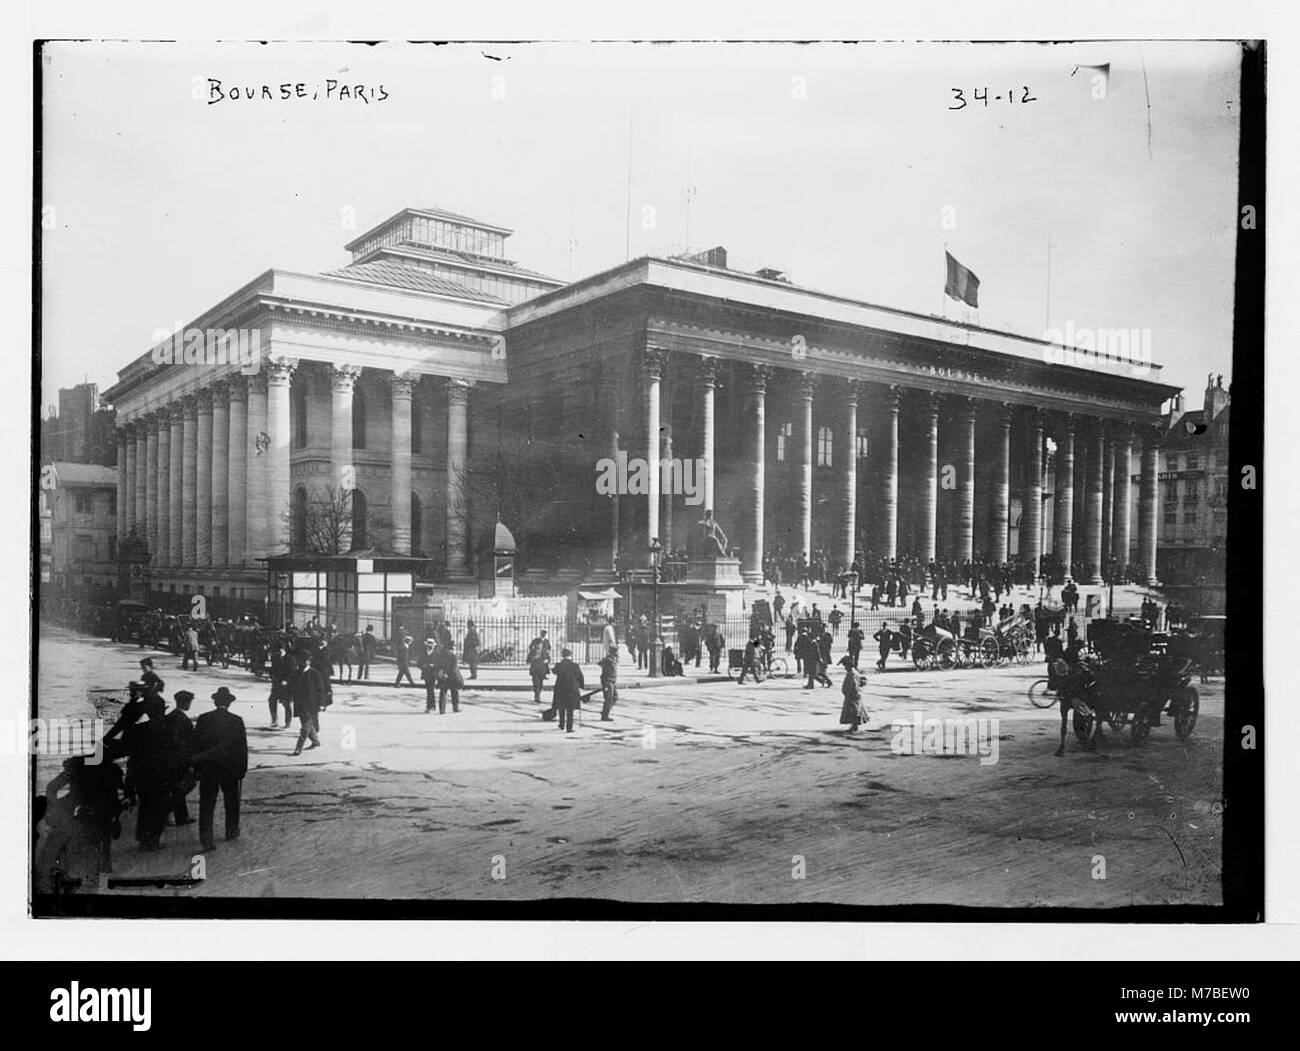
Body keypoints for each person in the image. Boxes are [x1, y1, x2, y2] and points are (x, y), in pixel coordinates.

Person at [192, 687, 249, 851]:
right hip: (230, 770)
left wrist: (197, 768)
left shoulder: (204, 719)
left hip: (209, 769)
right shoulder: (236, 720)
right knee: (231, 802)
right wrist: (242, 770)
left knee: (206, 804)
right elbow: (242, 748)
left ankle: (206, 838)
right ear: (229, 703)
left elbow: (196, 745)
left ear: (215, 702)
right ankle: (231, 830)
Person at [126, 694, 174, 852]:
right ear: (162, 711)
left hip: (142, 775)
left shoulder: (138, 729)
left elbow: (132, 757)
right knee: (159, 807)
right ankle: (153, 840)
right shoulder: (168, 729)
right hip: (161, 775)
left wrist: (130, 780)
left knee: (145, 805)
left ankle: (143, 839)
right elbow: (173, 754)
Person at [166, 690, 196, 828]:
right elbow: (182, 742)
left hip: (169, 758)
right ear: (186, 702)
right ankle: (166, 810)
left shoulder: (170, 716)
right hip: (179, 759)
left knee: (176, 787)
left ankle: (181, 816)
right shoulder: (183, 720)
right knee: (185, 784)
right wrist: (188, 760)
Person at [289, 651, 325, 755]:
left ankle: (298, 748)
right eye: (301, 661)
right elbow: (292, 687)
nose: (302, 663)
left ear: (309, 662)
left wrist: (322, 704)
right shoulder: (297, 673)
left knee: (305, 727)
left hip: (311, 705)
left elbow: (320, 690)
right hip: (300, 705)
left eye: (305, 661)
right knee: (308, 725)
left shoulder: (314, 673)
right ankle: (316, 741)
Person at [550, 648, 585, 733]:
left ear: (562, 655)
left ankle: (561, 725)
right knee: (570, 709)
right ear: (570, 655)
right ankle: (569, 727)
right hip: (572, 689)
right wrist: (581, 686)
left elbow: (554, 671)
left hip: (561, 689)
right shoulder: (575, 665)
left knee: (561, 707)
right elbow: (580, 676)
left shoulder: (559, 665)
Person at [838, 656, 869, 733]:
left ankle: (854, 726)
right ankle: (854, 726)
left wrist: (851, 692)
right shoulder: (852, 672)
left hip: (853, 695)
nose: (844, 667)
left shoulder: (852, 674)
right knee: (854, 710)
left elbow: (854, 685)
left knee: (854, 711)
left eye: (845, 665)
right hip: (852, 695)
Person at [267, 643, 293, 728]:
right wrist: (272, 677)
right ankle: (274, 720)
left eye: (280, 649)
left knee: (287, 704)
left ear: (284, 650)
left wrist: (287, 681)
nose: (278, 651)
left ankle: (287, 722)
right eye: (277, 650)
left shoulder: (290, 659)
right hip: (276, 685)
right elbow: (272, 669)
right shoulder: (275, 658)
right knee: (271, 700)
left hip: (286, 686)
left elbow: (292, 673)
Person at [436, 644, 464, 714]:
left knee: (442, 693)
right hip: (452, 676)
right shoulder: (453, 655)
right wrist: (447, 673)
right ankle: (455, 708)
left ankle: (442, 710)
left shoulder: (440, 655)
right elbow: (453, 667)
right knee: (454, 692)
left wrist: (441, 672)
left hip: (443, 676)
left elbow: (437, 665)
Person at [527, 629, 552, 704]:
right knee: (536, 682)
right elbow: (529, 656)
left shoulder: (546, 643)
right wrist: (532, 659)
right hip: (535, 667)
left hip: (542, 667)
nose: (539, 646)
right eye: (538, 645)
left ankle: (538, 694)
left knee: (540, 683)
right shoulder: (534, 648)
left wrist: (547, 660)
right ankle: (536, 696)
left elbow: (548, 653)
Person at [419, 638, 440, 713]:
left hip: (433, 674)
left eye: (432, 645)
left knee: (430, 690)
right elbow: (419, 663)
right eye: (429, 645)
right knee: (429, 690)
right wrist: (424, 666)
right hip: (426, 674)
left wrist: (433, 665)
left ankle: (430, 706)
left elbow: (439, 664)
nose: (430, 647)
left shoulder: (437, 653)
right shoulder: (423, 653)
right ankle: (432, 706)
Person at [599, 646, 619, 720]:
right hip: (608, 682)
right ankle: (605, 715)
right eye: (615, 652)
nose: (617, 653)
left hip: (612, 681)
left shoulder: (612, 659)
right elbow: (600, 663)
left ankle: (605, 711)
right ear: (612, 652)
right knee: (608, 699)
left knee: (615, 697)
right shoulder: (608, 660)